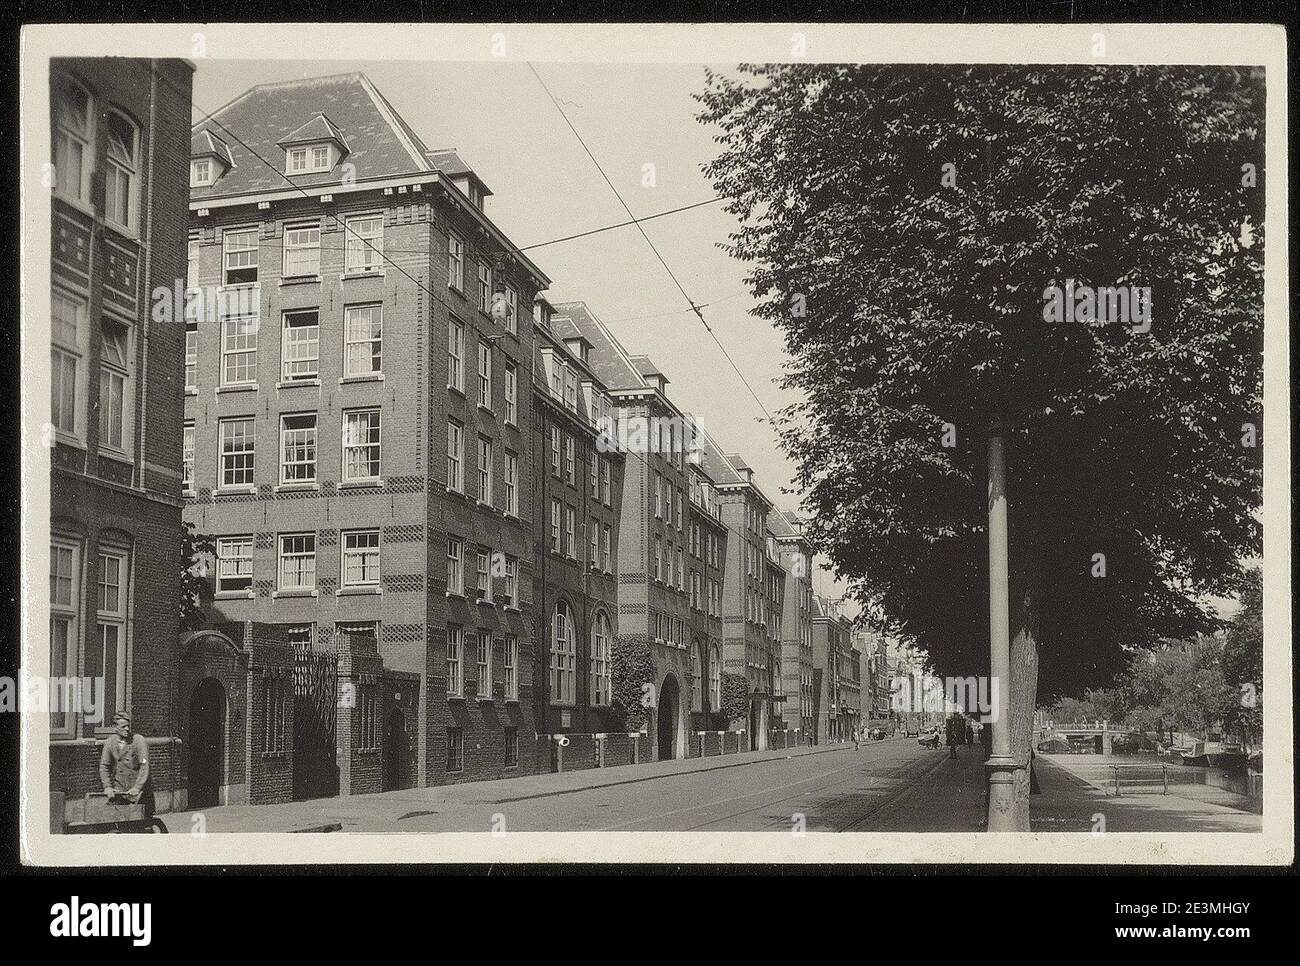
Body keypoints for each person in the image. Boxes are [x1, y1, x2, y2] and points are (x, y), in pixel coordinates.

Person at [99, 712, 153, 814]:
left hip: (139, 792)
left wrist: (137, 788)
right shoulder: (110, 742)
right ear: (115, 727)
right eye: (123, 726)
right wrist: (107, 786)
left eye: (128, 726)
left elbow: (144, 767)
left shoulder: (138, 741)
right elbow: (104, 766)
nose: (127, 729)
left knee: (139, 823)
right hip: (120, 791)